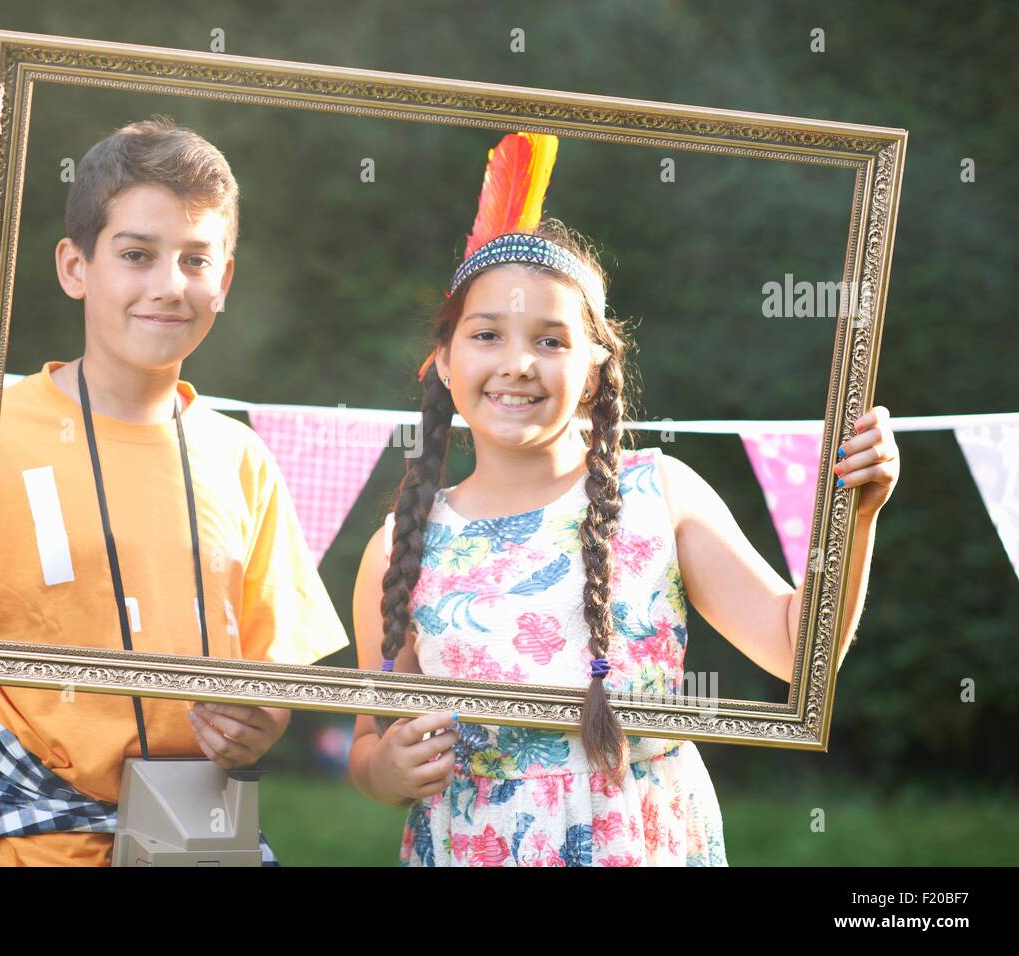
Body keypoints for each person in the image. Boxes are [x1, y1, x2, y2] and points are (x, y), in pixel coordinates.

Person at [0, 115, 349, 866]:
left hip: (198, 841)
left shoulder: (241, 457)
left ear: (226, 278)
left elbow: (273, 676)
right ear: (75, 267)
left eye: (195, 260)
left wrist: (264, 722)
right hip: (30, 847)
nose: (167, 286)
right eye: (136, 255)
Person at [347, 217, 900, 866]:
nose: (518, 364)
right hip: (477, 844)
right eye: (487, 334)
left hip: (643, 840)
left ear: (593, 369)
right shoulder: (400, 548)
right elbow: (369, 740)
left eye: (551, 340)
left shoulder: (660, 494)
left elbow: (797, 651)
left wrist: (855, 517)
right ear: (443, 360)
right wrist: (387, 770)